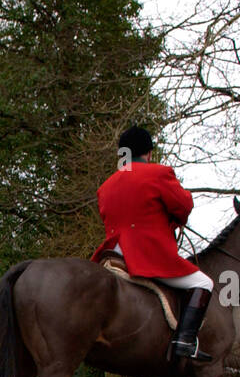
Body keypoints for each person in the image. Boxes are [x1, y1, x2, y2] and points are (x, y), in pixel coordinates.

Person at [91, 126, 214, 361]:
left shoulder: (105, 186)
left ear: (123, 154)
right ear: (148, 153)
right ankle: (184, 341)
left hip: (112, 254)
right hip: (145, 255)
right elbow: (184, 205)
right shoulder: (159, 174)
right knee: (204, 282)